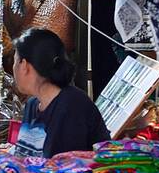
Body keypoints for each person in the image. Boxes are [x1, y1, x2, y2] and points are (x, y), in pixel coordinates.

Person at [11, 27, 110, 157]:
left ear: (24, 65)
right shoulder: (32, 105)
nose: (13, 68)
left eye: (14, 61)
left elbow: (66, 168)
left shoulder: (72, 105)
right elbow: (25, 159)